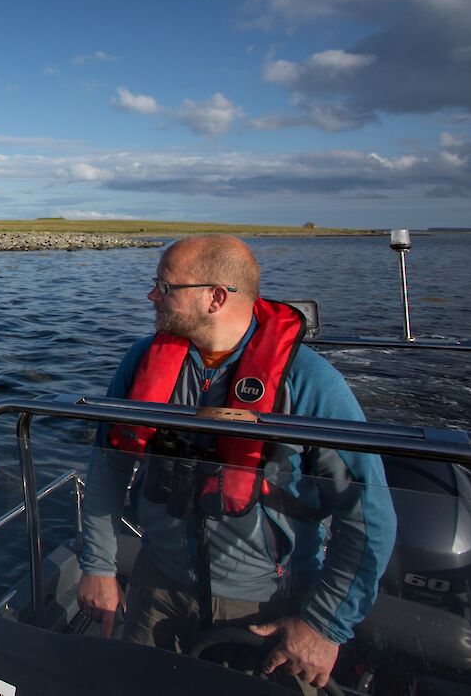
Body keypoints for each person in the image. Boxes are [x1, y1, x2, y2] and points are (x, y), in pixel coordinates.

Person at [76, 235, 396, 689]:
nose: (152, 296)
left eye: (164, 287)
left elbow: (368, 514)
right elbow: (107, 468)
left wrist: (324, 625)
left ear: (216, 297)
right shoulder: (140, 361)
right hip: (158, 586)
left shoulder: (309, 383)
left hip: (266, 606)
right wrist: (98, 567)